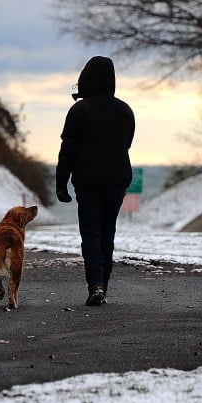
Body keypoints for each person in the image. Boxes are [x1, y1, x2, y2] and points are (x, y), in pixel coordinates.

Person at [55, 55, 135, 306]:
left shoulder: (79, 110)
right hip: (117, 181)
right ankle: (104, 286)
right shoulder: (125, 110)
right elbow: (126, 144)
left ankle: (96, 285)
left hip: (88, 183)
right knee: (107, 234)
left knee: (90, 234)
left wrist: (61, 183)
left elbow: (68, 150)